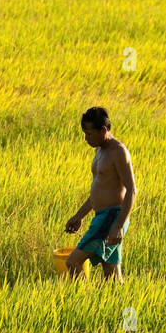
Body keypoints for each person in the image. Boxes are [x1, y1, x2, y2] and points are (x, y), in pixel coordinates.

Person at [63, 106, 136, 283]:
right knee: (111, 271)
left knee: (73, 262)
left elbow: (131, 190)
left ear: (103, 130)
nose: (86, 138)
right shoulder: (100, 149)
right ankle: (112, 306)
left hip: (111, 218)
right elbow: (100, 189)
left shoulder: (118, 152)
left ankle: (83, 303)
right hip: (102, 216)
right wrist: (79, 216)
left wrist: (118, 226)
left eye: (89, 133)